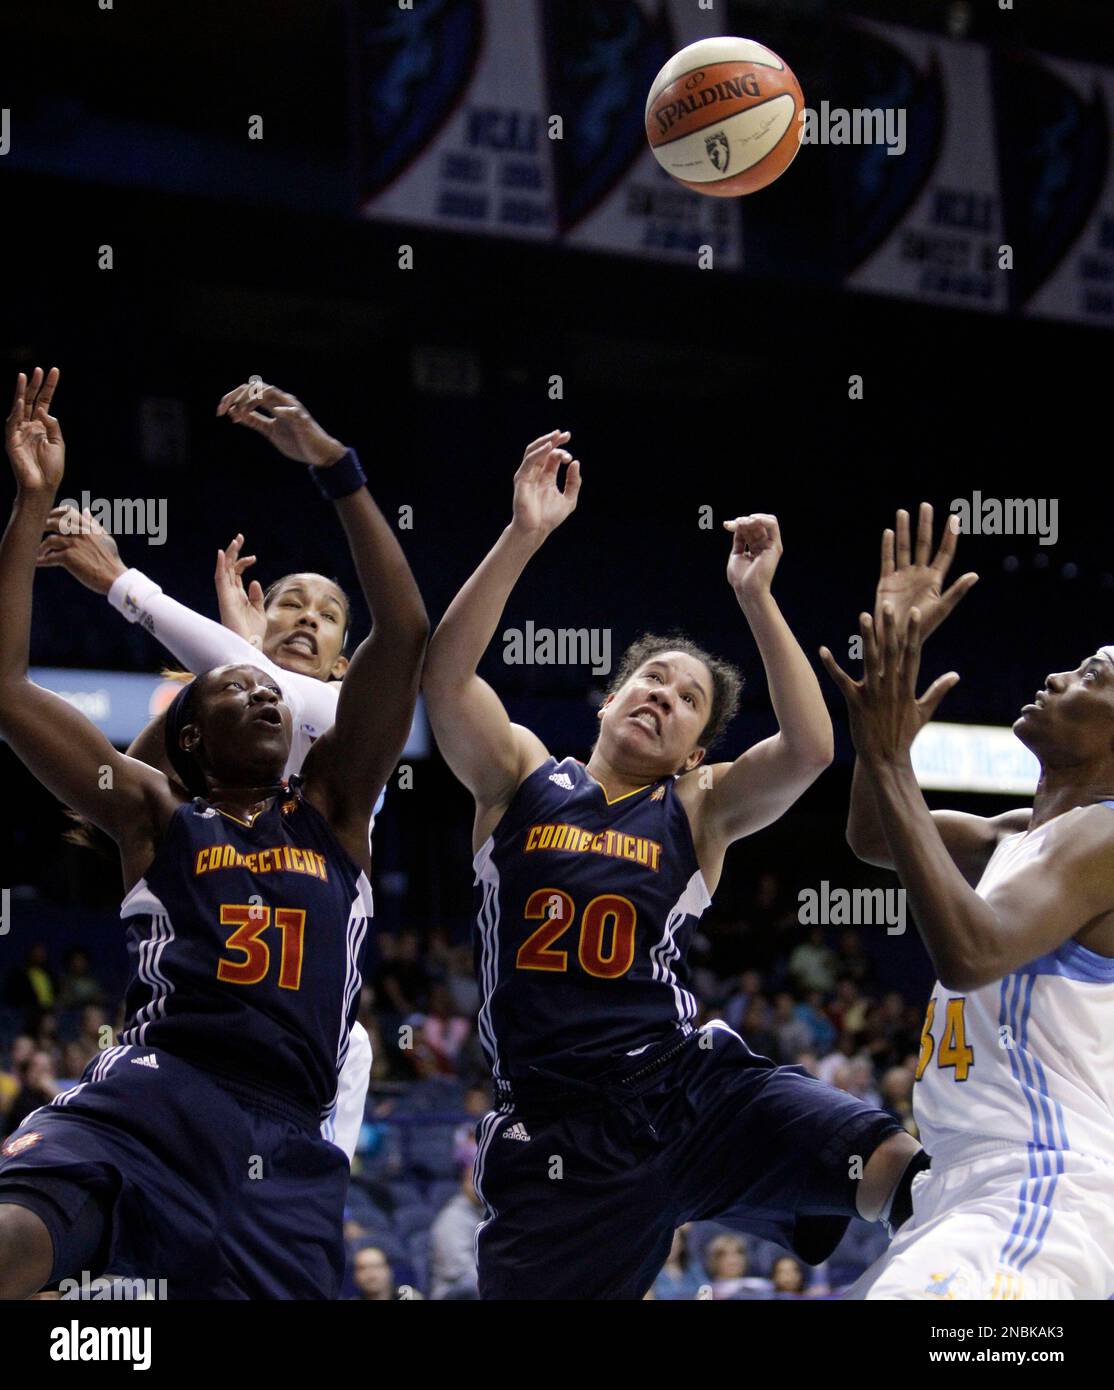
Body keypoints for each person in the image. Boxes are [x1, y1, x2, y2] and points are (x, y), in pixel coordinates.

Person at [421, 429, 926, 1300]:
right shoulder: (519, 777)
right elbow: (445, 677)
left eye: (689, 699)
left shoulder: (697, 808)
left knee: (894, 1161)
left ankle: (990, 1293)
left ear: (695, 751)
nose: (664, 694)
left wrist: (756, 596)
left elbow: (809, 749)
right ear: (611, 698)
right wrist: (524, 534)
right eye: (652, 679)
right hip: (556, 1134)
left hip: (687, 1087)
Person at [0, 367, 428, 1299]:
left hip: (284, 1124)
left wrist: (334, 465)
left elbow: (406, 631)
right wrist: (31, 506)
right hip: (152, 1091)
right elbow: (7, 690)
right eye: (240, 682)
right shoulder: (155, 811)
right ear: (190, 731)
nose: (263, 683)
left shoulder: (336, 804)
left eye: (272, 682)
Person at [822, 503, 1114, 1300]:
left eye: (1092, 675)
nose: (1057, 676)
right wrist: (896, 658)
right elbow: (873, 834)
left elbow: (973, 952)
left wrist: (889, 754)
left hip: (1039, 1183)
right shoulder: (1014, 832)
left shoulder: (1109, 840)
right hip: (960, 1187)